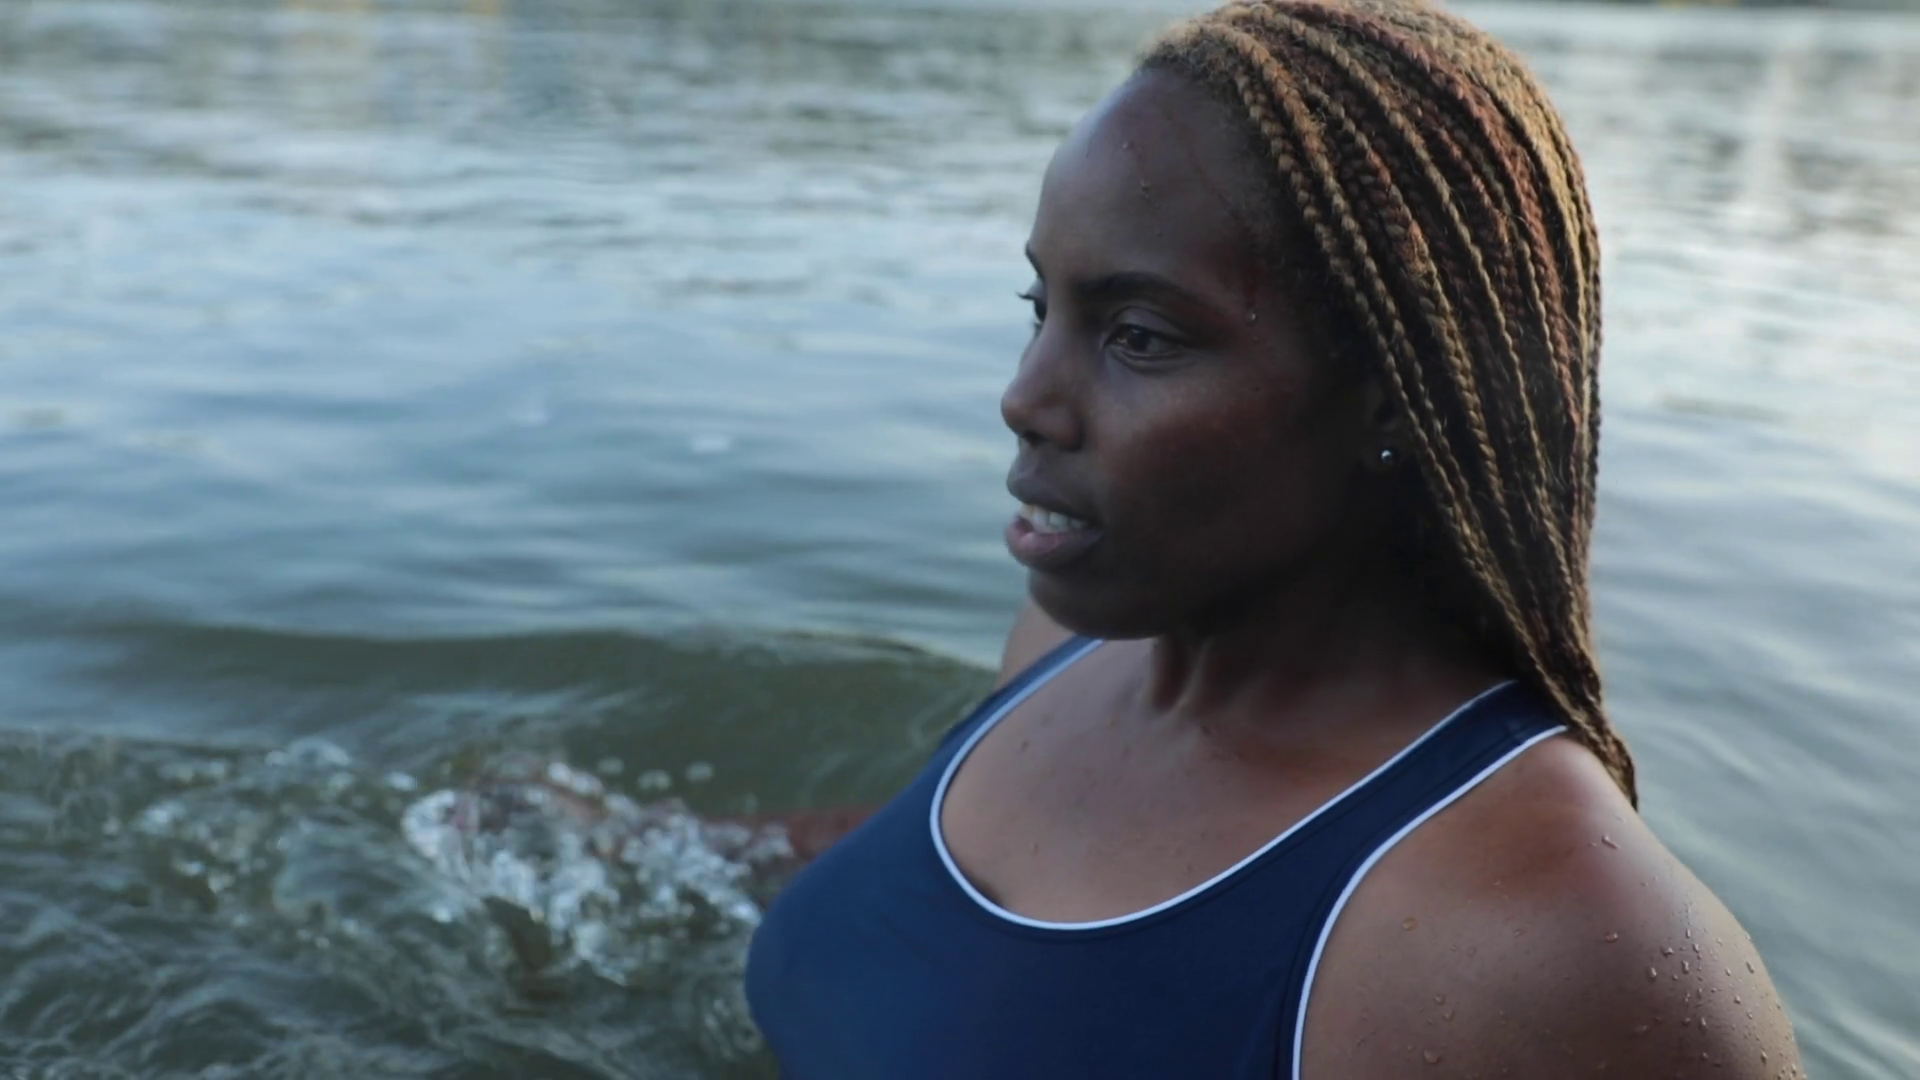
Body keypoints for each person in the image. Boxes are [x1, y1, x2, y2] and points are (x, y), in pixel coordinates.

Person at [743, 1, 1806, 1076]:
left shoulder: (1551, 951)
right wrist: (612, 838)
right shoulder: (1074, 649)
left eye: (1138, 336)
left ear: (1396, 398)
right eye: (1041, 307)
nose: (1025, 398)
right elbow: (944, 931)